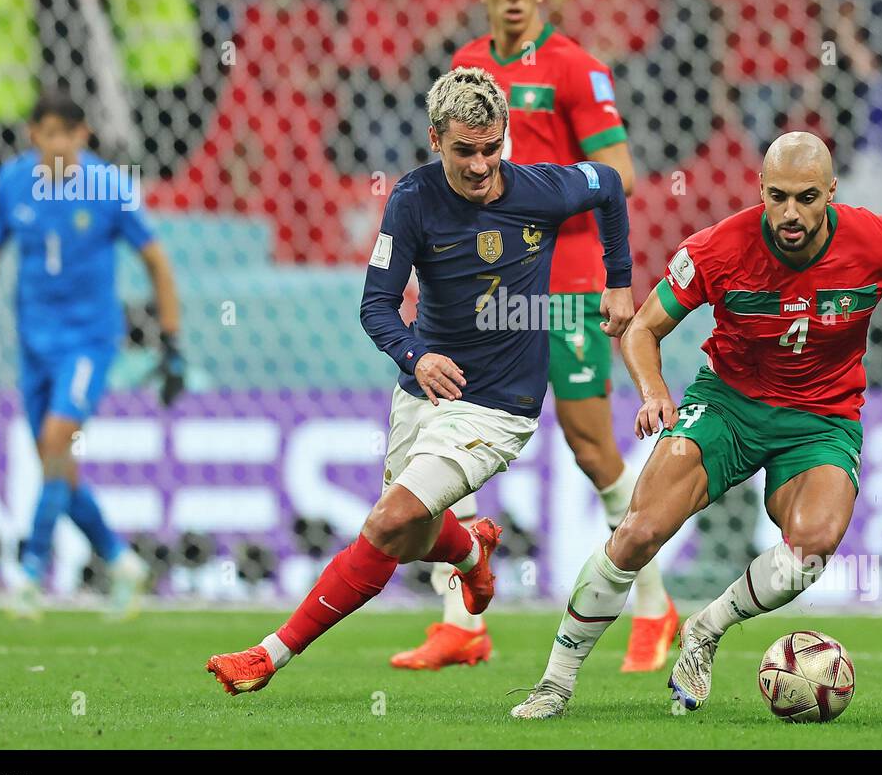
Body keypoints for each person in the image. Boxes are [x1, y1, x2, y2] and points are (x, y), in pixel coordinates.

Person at [511, 131, 882, 718]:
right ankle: (554, 684)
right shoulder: (719, 248)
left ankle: (705, 631)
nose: (790, 212)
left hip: (821, 420)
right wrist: (654, 392)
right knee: (636, 532)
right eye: (778, 196)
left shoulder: (876, 241)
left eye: (807, 198)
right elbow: (641, 328)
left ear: (831, 193)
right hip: (729, 405)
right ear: (759, 190)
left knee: (812, 547)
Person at [205, 67, 634, 695]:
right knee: (407, 542)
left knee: (384, 523)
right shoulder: (412, 199)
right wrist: (415, 359)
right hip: (425, 392)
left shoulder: (541, 191)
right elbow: (376, 305)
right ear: (436, 139)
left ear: (505, 137)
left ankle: (269, 656)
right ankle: (471, 553)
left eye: (492, 149)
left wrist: (617, 278)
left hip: (499, 406)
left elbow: (611, 185)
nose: (482, 165)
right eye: (465, 150)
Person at [390, 0, 676, 673]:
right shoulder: (465, 70)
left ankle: (654, 603)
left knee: (590, 447)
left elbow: (621, 172)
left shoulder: (577, 69)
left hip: (565, 286)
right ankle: (460, 622)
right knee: (440, 433)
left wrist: (538, 196)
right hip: (484, 290)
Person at [0, 90, 185, 620]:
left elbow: (157, 263)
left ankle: (30, 571)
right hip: (34, 342)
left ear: (83, 136)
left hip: (88, 341)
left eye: (67, 133)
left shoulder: (108, 187)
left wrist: (171, 344)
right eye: (46, 133)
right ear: (34, 135)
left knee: (57, 442)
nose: (56, 144)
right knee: (58, 466)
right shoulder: (12, 183)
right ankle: (122, 561)